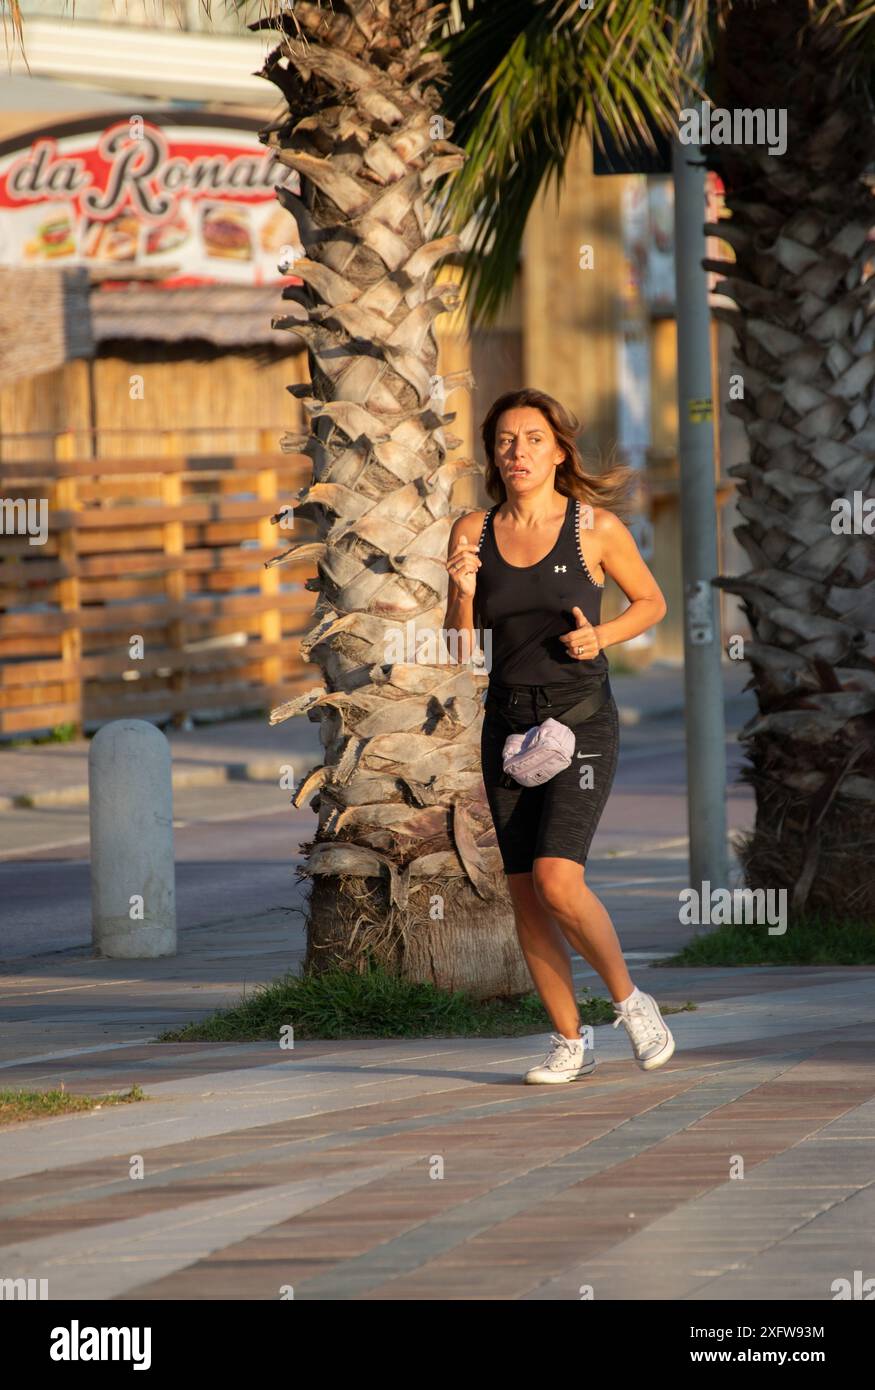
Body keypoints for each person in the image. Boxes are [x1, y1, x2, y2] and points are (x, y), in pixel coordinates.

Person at [443, 388, 675, 1083]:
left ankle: (631, 1003)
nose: (518, 452)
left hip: (579, 720)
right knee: (523, 892)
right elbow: (461, 653)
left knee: (557, 879)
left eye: (532, 439)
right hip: (508, 726)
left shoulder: (593, 528)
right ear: (492, 453)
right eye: (506, 441)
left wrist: (598, 636)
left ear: (559, 449)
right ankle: (567, 1040)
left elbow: (651, 601)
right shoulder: (469, 530)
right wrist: (459, 591)